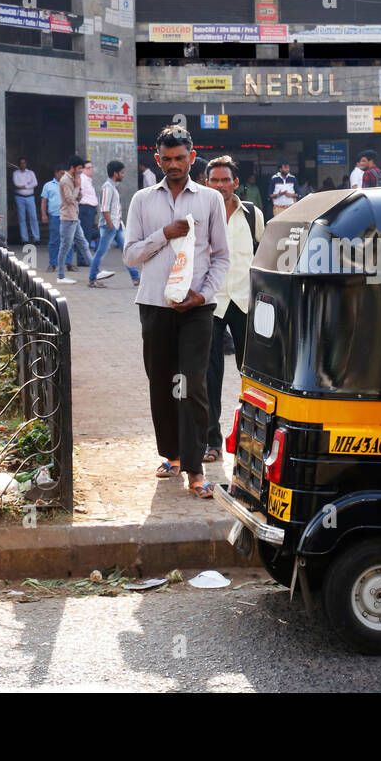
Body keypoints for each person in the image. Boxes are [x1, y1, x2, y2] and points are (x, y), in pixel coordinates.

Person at [124, 125, 230, 500]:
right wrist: (164, 234)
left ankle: (195, 468)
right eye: (166, 159)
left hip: (197, 309)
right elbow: (130, 254)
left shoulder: (210, 200)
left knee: (193, 385)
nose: (173, 165)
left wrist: (202, 296)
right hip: (154, 304)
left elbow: (221, 257)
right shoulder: (141, 200)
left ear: (191, 157)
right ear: (158, 159)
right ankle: (169, 455)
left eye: (180, 158)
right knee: (163, 383)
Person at [202, 155, 265, 463]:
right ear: (205, 182)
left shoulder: (253, 215)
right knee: (209, 377)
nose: (220, 185)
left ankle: (251, 439)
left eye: (226, 180)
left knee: (251, 376)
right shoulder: (198, 214)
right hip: (210, 304)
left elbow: (264, 259)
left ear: (235, 183)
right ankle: (211, 441)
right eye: (214, 180)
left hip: (244, 302)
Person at [88, 160, 140, 289]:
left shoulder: (112, 187)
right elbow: (104, 209)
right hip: (109, 227)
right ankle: (92, 279)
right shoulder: (107, 187)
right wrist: (111, 226)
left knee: (126, 251)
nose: (123, 175)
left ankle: (136, 277)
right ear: (115, 173)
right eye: (121, 172)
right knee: (100, 252)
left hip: (116, 226)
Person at [55, 156, 93, 285]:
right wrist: (77, 187)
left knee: (83, 244)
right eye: (79, 168)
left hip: (74, 217)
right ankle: (60, 276)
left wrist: (79, 187)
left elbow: (78, 198)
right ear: (72, 167)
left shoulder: (73, 179)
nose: (81, 170)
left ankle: (95, 271)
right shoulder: (65, 180)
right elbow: (70, 199)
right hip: (68, 218)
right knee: (65, 247)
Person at [40, 163, 69, 272]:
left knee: (67, 240)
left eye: (64, 173)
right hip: (54, 216)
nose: (63, 175)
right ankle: (52, 264)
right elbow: (44, 201)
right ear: (56, 173)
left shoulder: (68, 184)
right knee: (54, 240)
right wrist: (43, 214)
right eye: (61, 173)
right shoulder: (48, 185)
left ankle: (68, 263)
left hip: (67, 216)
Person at [11, 157, 40, 245]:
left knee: (33, 218)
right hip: (19, 197)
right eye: (21, 163)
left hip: (30, 197)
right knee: (22, 218)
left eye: (24, 163)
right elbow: (16, 184)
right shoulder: (15, 173)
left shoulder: (31, 173)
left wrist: (24, 186)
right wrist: (28, 184)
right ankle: (25, 239)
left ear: (26, 164)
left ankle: (36, 238)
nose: (23, 164)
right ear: (19, 164)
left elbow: (35, 183)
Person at [79, 159, 100, 249]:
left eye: (91, 167)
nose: (91, 169)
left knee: (88, 231)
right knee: (86, 232)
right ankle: (83, 258)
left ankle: (84, 257)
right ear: (83, 169)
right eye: (88, 168)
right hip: (85, 207)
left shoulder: (88, 180)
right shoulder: (82, 179)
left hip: (91, 208)